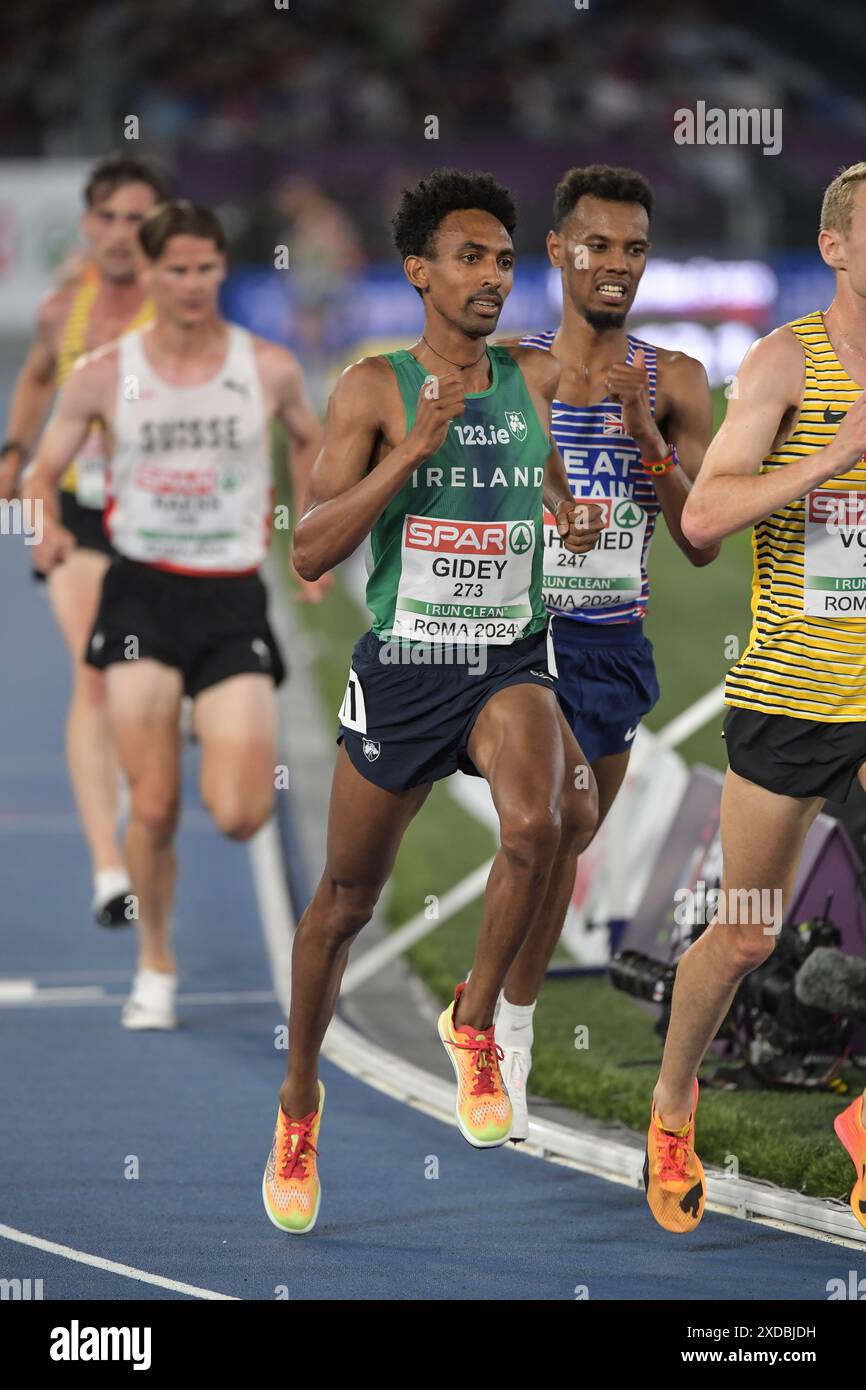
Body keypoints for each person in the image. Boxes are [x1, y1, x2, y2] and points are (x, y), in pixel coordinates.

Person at [261, 167, 599, 1235]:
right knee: (343, 905)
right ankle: (299, 1104)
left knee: (544, 821)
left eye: (503, 259)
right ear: (418, 271)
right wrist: (411, 450)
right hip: (406, 665)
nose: (492, 276)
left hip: (508, 657)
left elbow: (539, 459)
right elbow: (310, 544)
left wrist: (565, 510)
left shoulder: (532, 375)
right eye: (469, 257)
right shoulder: (372, 387)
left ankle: (473, 1017)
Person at [24, 200, 323, 1030]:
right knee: (152, 806)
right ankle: (155, 962)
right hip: (140, 596)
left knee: (240, 813)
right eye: (176, 269)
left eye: (206, 268)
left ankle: (205, 705)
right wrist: (42, 529)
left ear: (222, 269)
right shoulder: (103, 372)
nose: (192, 284)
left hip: (231, 596)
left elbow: (308, 440)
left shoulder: (266, 367)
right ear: (147, 274)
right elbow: (40, 474)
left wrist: (306, 535)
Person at [644, 161, 866, 1235]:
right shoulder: (786, 361)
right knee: (741, 932)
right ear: (833, 246)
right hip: (788, 690)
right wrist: (831, 457)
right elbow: (701, 518)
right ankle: (673, 1103)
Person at [497, 165, 718, 1139]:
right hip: (520, 641)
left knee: (566, 844)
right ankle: (498, 1036)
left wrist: (642, 436)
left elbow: (701, 536)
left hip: (611, 644)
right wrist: (544, 511)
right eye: (596, 245)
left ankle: (506, 1012)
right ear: (556, 251)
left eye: (632, 248)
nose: (615, 265)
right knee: (554, 817)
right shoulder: (511, 367)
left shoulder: (671, 381)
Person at [1, 155, 170, 926]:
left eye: (139, 220)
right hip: (76, 508)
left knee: (155, 685)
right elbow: (37, 376)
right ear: (87, 224)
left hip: (166, 519)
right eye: (108, 218)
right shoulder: (63, 307)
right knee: (92, 673)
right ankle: (109, 866)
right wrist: (14, 451)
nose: (121, 234)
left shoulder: (180, 308)